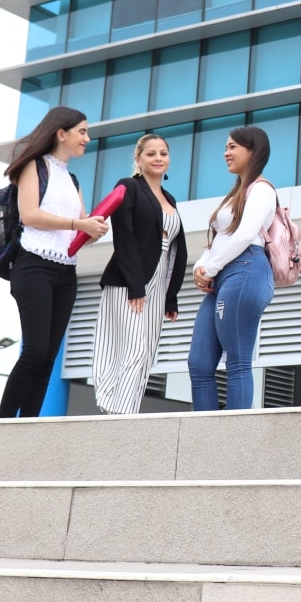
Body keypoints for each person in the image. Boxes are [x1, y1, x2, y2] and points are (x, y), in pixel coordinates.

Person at [0, 107, 111, 419]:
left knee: (48, 356)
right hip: (33, 265)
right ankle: (2, 423)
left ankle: (29, 424)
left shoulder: (72, 179)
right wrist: (79, 225)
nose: (87, 138)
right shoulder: (33, 167)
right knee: (34, 350)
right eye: (82, 131)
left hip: (66, 271)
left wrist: (93, 230)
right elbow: (30, 215)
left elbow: (80, 228)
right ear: (61, 133)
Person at [93, 134, 189, 415]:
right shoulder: (128, 187)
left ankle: (127, 412)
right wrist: (136, 286)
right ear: (138, 159)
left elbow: (175, 249)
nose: (158, 158)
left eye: (163, 153)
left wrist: (171, 297)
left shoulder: (170, 198)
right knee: (129, 348)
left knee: (145, 354)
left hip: (158, 282)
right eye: (151, 154)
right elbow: (124, 238)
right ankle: (119, 414)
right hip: (129, 279)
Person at [188, 125, 277, 411]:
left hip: (246, 269)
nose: (226, 153)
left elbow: (244, 234)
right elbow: (221, 238)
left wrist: (210, 268)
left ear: (253, 151)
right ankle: (205, 436)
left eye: (232, 147)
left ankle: (233, 438)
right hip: (223, 274)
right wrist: (200, 267)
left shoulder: (262, 190)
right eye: (225, 147)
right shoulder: (235, 193)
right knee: (199, 363)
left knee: (237, 359)